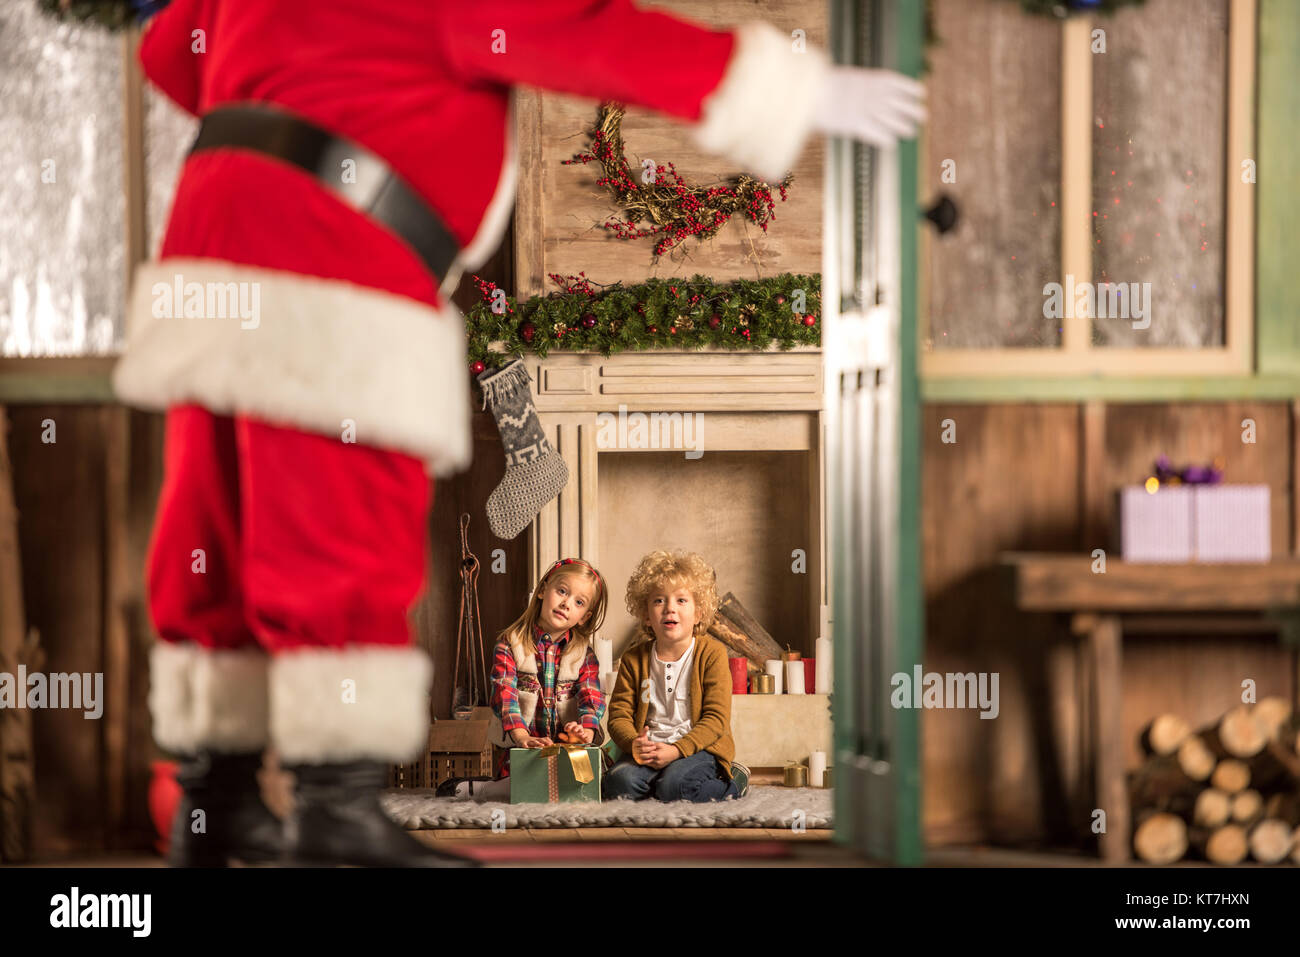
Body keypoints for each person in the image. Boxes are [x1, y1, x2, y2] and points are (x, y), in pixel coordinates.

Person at [116, 0, 923, 866]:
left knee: (218, 525)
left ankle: (217, 797)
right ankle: (335, 811)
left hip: (208, 249)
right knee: (339, 528)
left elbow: (169, 52)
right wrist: (796, 91)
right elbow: (596, 34)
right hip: (331, 255)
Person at [439, 557, 607, 802]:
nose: (566, 603)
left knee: (590, 784)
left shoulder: (583, 653)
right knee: (529, 786)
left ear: (584, 616)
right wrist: (521, 736)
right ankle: (488, 790)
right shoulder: (510, 643)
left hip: (566, 747)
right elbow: (504, 693)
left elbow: (590, 695)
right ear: (542, 591)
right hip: (526, 747)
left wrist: (586, 732)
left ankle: (498, 788)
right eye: (562, 591)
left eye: (578, 602)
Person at [605, 550, 748, 802]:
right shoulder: (633, 659)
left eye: (682, 601)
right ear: (646, 616)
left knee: (676, 787)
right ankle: (658, 783)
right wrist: (633, 744)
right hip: (649, 749)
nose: (669, 608)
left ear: (699, 614)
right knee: (618, 783)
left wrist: (677, 750)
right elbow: (619, 715)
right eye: (659, 601)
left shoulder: (711, 654)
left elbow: (716, 719)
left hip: (698, 748)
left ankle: (734, 781)